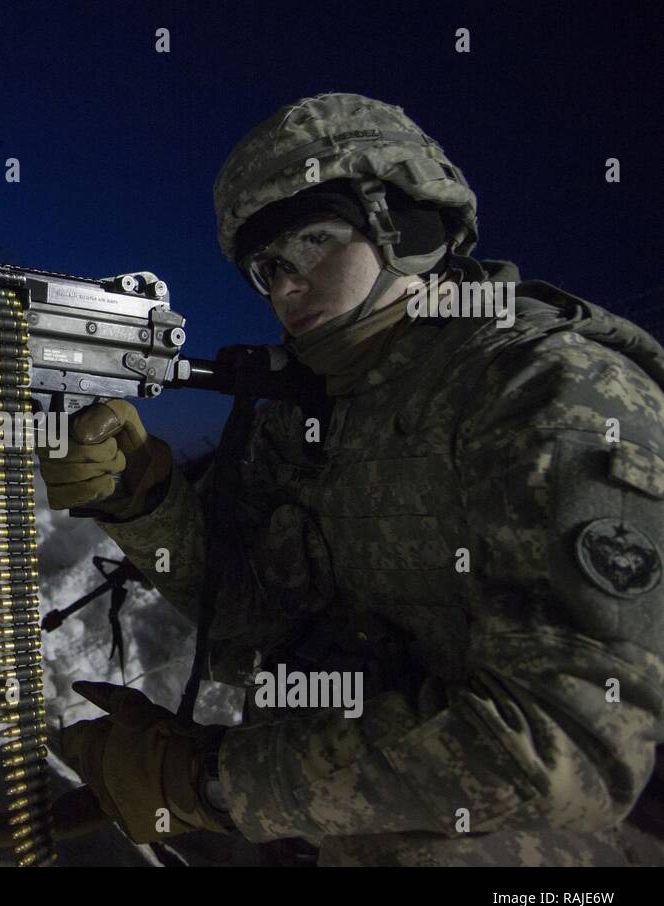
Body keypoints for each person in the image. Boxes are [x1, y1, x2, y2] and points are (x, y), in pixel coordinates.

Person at [40, 92, 664, 865]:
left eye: (314, 241)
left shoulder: (549, 392)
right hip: (333, 812)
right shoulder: (307, 405)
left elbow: (566, 749)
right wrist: (144, 501)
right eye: (268, 266)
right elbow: (252, 623)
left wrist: (209, 784)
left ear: (407, 228)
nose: (286, 285)